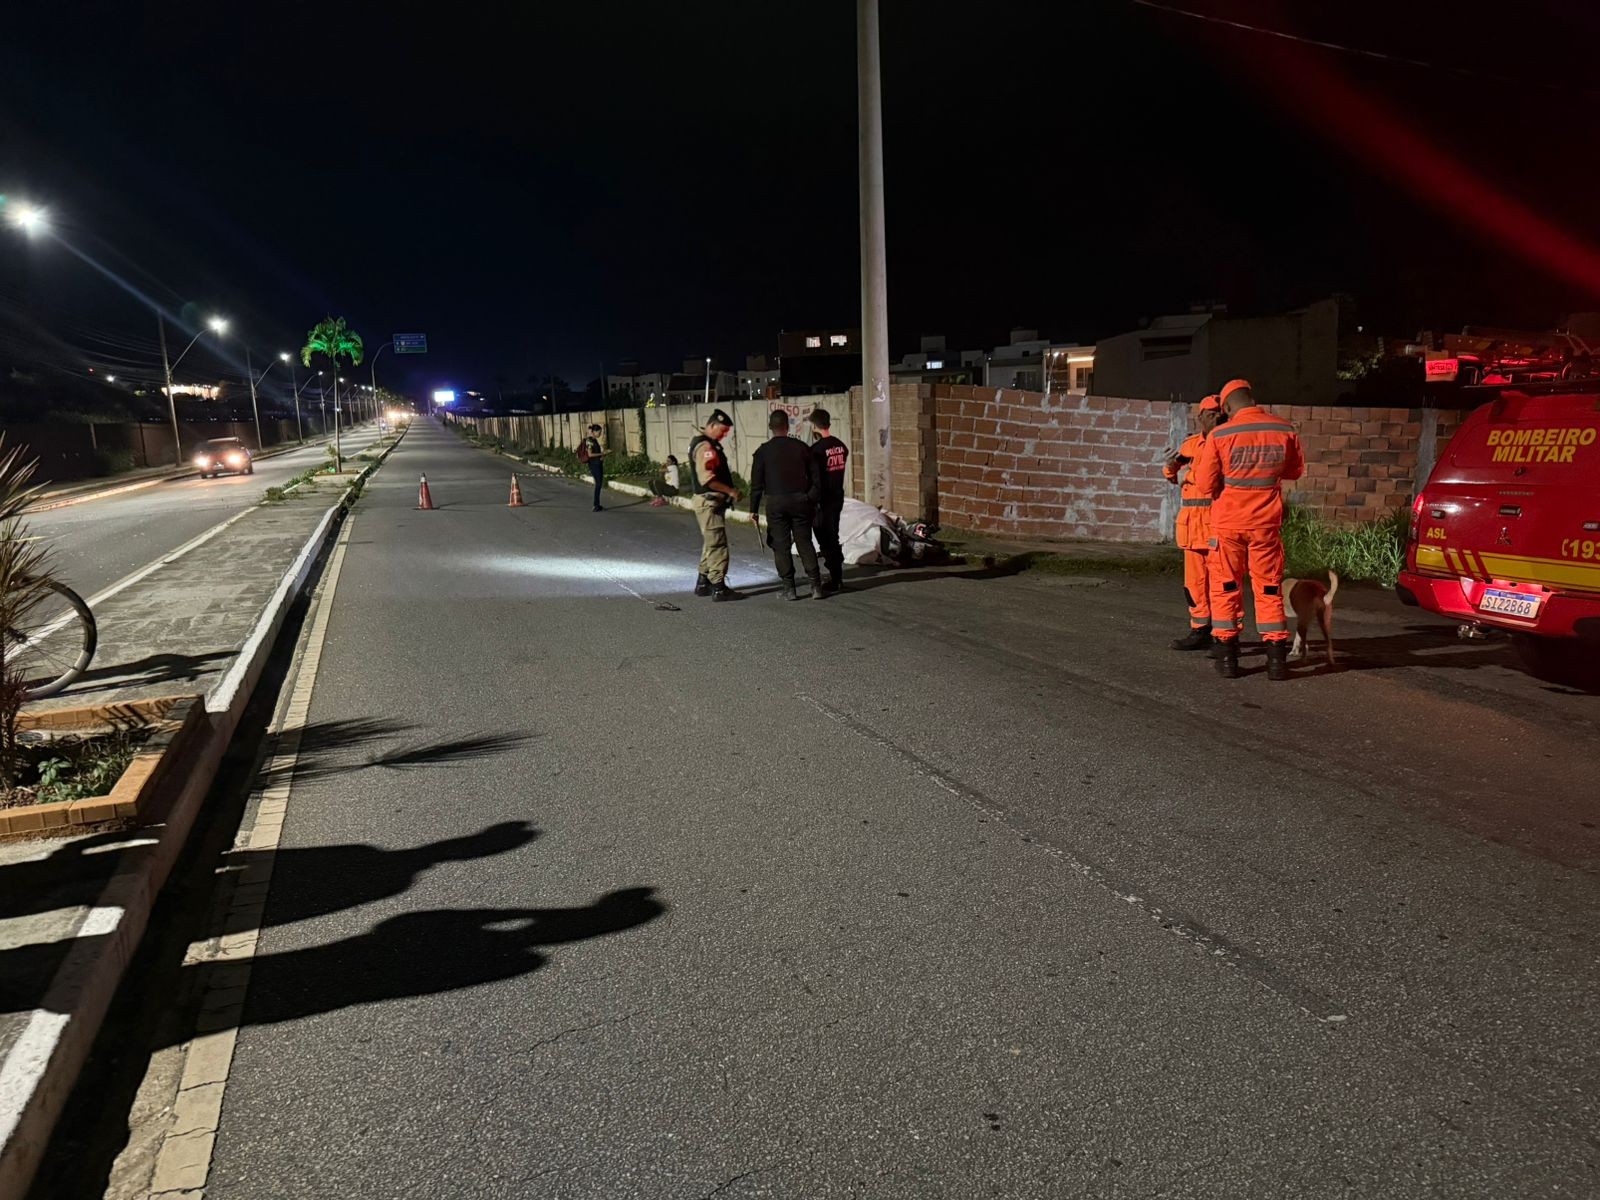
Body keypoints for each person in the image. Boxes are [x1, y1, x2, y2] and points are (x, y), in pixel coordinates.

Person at [1192, 378, 1305, 681]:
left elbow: (1204, 485)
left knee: (1226, 587)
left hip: (1228, 525)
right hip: (1266, 524)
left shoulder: (1221, 434)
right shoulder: (1283, 429)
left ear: (1227, 407)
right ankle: (1277, 662)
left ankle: (1228, 658)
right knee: (1269, 588)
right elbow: (1294, 471)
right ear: (1252, 399)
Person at [1162, 394, 1223, 650]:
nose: (1217, 418)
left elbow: (1215, 479)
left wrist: (1189, 474)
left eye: (1221, 414)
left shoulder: (1227, 443)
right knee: (1194, 585)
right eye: (1211, 415)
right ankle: (1200, 630)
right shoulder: (1189, 446)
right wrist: (1171, 466)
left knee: (1221, 585)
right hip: (1191, 527)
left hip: (1217, 527)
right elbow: (1171, 475)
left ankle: (1224, 636)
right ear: (1200, 418)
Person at [750, 409, 824, 601]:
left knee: (781, 546)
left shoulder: (762, 452)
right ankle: (816, 586)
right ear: (787, 425)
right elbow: (816, 477)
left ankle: (789, 589)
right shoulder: (801, 447)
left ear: (770, 427)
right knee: (804, 542)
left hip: (776, 503)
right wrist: (810, 497)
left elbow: (756, 486)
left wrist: (753, 510)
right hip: (800, 501)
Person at [687, 410, 742, 600]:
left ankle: (703, 582)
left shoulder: (704, 443)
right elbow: (707, 479)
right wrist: (730, 491)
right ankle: (719, 588)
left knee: (710, 542)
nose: (724, 435)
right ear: (711, 426)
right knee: (718, 544)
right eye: (723, 430)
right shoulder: (705, 447)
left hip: (709, 503)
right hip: (709, 502)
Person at [808, 408, 850, 591]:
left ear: (814, 426)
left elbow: (813, 477)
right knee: (833, 535)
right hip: (837, 498)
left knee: (826, 538)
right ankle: (837, 576)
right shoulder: (841, 446)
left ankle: (835, 578)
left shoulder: (816, 451)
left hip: (823, 501)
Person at [578, 424, 608, 511]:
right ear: (594, 432)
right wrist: (602, 454)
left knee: (599, 484)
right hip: (594, 465)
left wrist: (602, 456)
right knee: (598, 484)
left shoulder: (595, 441)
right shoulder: (590, 441)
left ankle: (597, 504)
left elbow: (596, 453)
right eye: (599, 432)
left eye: (601, 432)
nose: (600, 434)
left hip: (598, 463)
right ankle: (596, 505)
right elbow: (590, 454)